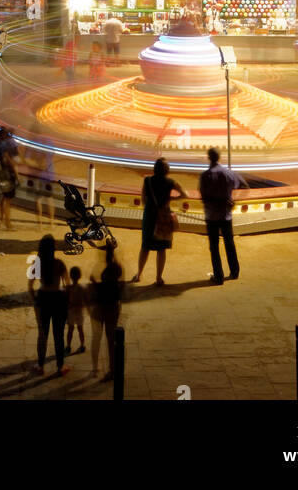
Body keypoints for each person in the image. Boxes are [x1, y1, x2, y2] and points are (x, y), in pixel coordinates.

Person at [131, 157, 186, 286]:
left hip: (150, 215)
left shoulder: (148, 180)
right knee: (162, 248)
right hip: (164, 215)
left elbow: (143, 199)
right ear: (167, 170)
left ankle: (139, 274)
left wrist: (150, 207)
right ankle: (158, 278)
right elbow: (184, 194)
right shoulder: (171, 182)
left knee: (145, 246)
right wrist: (171, 198)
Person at [199, 146, 244, 284]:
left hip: (212, 215)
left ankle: (218, 276)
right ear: (219, 158)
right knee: (229, 243)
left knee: (214, 246)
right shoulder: (228, 174)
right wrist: (233, 201)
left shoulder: (205, 176)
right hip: (225, 215)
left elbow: (204, 196)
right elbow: (243, 185)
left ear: (208, 158)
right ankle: (234, 271)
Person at [28, 233, 70, 376]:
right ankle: (60, 366)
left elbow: (30, 287)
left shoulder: (37, 265)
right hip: (58, 299)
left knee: (42, 334)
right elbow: (67, 284)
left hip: (43, 299)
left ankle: (40, 365)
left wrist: (35, 299)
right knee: (58, 335)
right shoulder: (59, 263)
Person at [89, 241, 123, 380]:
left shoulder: (102, 268)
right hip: (114, 305)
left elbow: (102, 287)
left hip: (102, 305)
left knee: (97, 336)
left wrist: (94, 282)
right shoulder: (118, 267)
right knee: (111, 339)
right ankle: (113, 369)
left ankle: (95, 367)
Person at [0, 128, 18, 229]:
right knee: (8, 200)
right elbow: (9, 160)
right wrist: (16, 175)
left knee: (2, 197)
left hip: (0, 174)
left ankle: (1, 221)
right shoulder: (3, 146)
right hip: (6, 175)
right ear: (4, 136)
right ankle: (8, 224)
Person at [65, 266, 87, 354]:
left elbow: (66, 301)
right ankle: (82, 345)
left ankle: (68, 346)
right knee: (80, 330)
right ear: (79, 276)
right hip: (80, 312)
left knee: (70, 330)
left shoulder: (69, 288)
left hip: (71, 312)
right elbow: (85, 301)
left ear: (71, 276)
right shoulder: (82, 288)